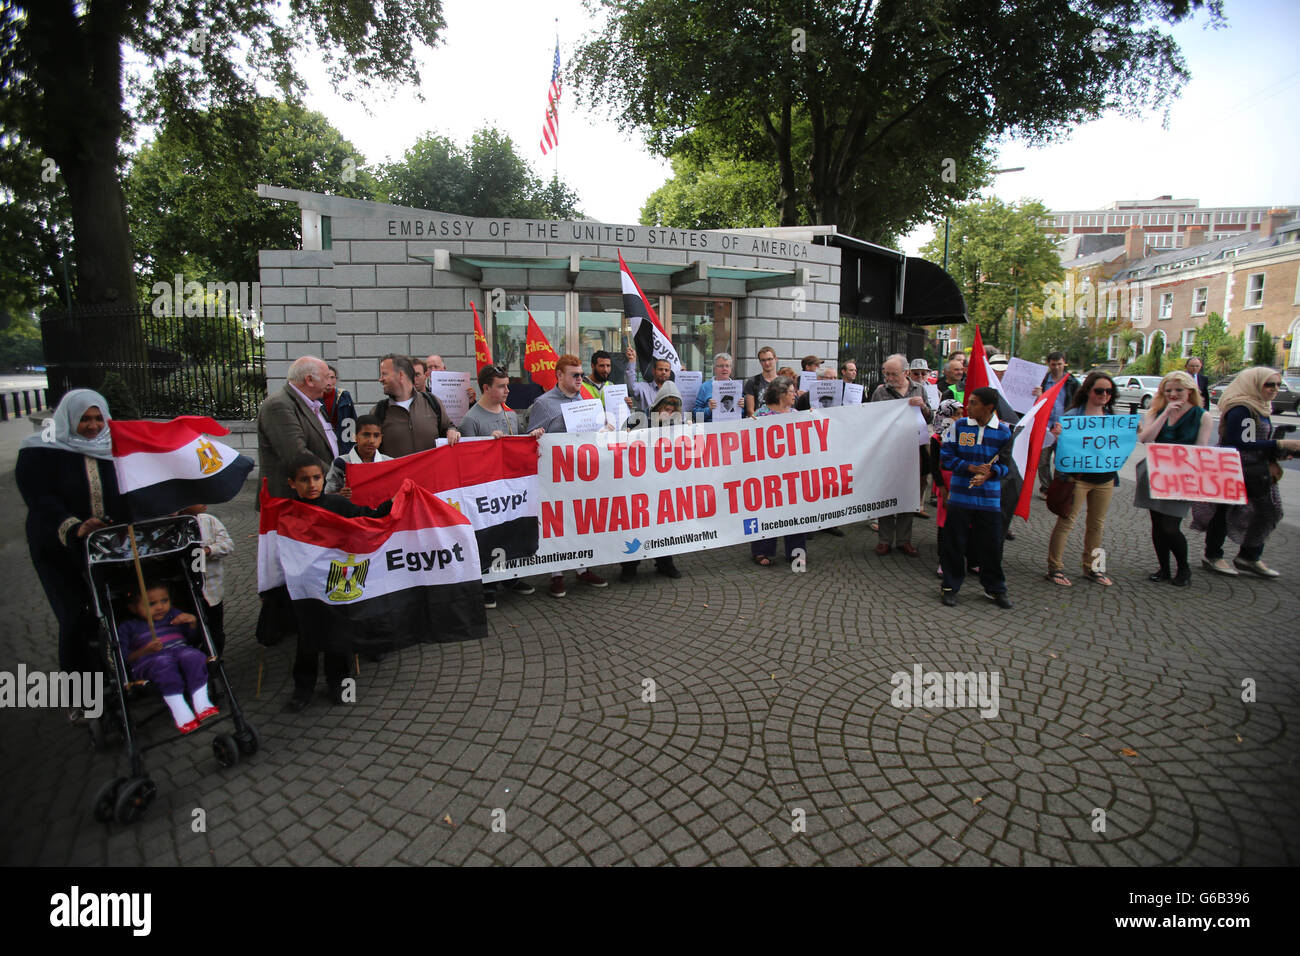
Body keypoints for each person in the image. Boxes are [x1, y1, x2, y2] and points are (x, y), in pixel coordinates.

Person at [17, 389, 127, 684]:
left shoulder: (112, 448)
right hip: (57, 547)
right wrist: (73, 524)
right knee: (75, 616)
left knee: (114, 609)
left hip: (103, 545)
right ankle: (79, 691)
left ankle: (120, 675)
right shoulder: (39, 450)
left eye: (98, 418)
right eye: (84, 419)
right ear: (67, 417)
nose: (93, 426)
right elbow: (38, 496)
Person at [283, 453, 393, 712]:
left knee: (337, 636)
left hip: (336, 584)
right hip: (305, 590)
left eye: (316, 478)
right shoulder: (286, 511)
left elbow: (367, 518)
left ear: (324, 478)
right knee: (307, 640)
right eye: (304, 480)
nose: (311, 485)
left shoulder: (337, 505)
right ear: (291, 483)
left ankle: (339, 683)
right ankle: (303, 687)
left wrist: (394, 503)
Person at [1194, 368, 1300, 578]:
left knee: (1268, 511)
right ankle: (1214, 555)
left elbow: (1253, 440)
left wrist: (1278, 451)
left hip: (1256, 468)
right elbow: (1240, 441)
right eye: (1269, 384)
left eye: (1278, 385)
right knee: (1225, 512)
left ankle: (1249, 555)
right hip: (1235, 467)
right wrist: (1279, 443)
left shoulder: (1260, 407)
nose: (1275, 389)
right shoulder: (1243, 408)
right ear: (1254, 383)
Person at [525, 354, 610, 596]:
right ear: (559, 375)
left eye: (581, 375)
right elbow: (531, 437)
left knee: (581, 520)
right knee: (558, 522)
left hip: (582, 474)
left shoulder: (587, 399)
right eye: (574, 375)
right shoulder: (543, 403)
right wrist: (537, 434)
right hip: (555, 476)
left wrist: (606, 429)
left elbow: (594, 435)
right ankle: (557, 573)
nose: (579, 379)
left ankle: (583, 569)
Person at [461, 365, 545, 608]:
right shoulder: (471, 419)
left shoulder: (510, 415)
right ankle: (487, 584)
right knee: (488, 534)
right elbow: (468, 459)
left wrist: (531, 441)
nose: (508, 390)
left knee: (509, 530)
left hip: (508, 488)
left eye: (507, 385)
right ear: (486, 388)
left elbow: (516, 449)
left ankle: (510, 577)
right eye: (501, 386)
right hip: (484, 489)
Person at [1134, 371, 1213, 586]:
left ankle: (1184, 568)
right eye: (1168, 391)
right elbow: (1146, 439)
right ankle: (1164, 568)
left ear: (1190, 391)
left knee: (1171, 525)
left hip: (1181, 477)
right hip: (1155, 472)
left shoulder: (1202, 416)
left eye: (1179, 390)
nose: (1173, 394)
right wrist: (1165, 413)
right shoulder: (1157, 411)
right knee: (1158, 524)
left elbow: (1201, 448)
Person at [939, 388, 1013, 608]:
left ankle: (995, 588)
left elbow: (1006, 465)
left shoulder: (1003, 432)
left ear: (989, 407)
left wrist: (990, 473)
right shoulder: (958, 426)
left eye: (973, 403)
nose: (966, 407)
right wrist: (970, 468)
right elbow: (946, 457)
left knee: (991, 546)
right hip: (960, 498)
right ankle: (950, 586)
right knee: (954, 544)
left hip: (989, 501)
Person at [1046, 371, 1121, 587]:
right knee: (1066, 522)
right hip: (1078, 478)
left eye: (1109, 391)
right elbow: (1062, 452)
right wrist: (1058, 437)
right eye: (1099, 390)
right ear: (1088, 391)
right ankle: (1055, 568)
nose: (1104, 395)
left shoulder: (1113, 418)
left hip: (1104, 479)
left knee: (1097, 525)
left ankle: (1094, 568)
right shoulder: (1072, 418)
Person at [119, 581, 218, 734]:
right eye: (151, 604)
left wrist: (191, 623)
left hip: (180, 650)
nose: (160, 607)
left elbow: (191, 639)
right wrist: (145, 651)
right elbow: (125, 657)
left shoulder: (173, 614)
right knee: (163, 662)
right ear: (133, 608)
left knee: (193, 656)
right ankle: (180, 709)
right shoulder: (129, 627)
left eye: (164, 601)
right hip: (150, 660)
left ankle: (201, 702)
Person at [870, 354, 933, 556]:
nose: (889, 377)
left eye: (893, 374)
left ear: (905, 373)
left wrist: (922, 406)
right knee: (886, 492)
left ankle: (904, 540)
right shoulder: (880, 392)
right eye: (886, 373)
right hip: (887, 450)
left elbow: (930, 416)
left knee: (908, 494)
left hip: (912, 449)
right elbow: (870, 419)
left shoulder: (919, 389)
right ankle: (885, 539)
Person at [621, 384, 685, 581]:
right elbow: (620, 441)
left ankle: (665, 562)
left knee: (664, 525)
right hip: (638, 482)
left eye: (674, 410)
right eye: (667, 409)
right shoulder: (637, 419)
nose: (670, 413)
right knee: (635, 525)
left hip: (664, 484)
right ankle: (629, 566)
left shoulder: (679, 425)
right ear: (658, 405)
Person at [257, 355, 339, 500]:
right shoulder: (279, 405)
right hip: (290, 502)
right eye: (326, 377)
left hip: (312, 497)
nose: (329, 382)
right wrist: (336, 477)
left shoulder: (313, 404)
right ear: (309, 380)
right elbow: (296, 454)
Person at [751, 379, 807, 568]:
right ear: (781, 393)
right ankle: (762, 550)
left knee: (795, 510)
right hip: (768, 472)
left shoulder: (796, 414)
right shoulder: (761, 415)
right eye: (792, 391)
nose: (795, 394)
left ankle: (796, 550)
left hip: (791, 471)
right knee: (767, 511)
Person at [370, 353, 460, 457]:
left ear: (400, 375)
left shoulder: (432, 403)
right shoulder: (378, 412)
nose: (380, 379)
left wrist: (452, 431)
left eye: (384, 374)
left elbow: (448, 427)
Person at [179, 504, 235, 654]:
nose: (203, 502)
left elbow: (228, 544)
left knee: (216, 629)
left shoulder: (209, 520)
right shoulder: (176, 526)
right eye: (195, 500)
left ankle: (216, 660)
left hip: (212, 591)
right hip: (187, 593)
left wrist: (209, 550)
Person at [1032, 352, 1078, 495]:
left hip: (1064, 428)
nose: (1057, 367)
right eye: (1053, 364)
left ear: (1064, 363)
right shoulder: (1042, 381)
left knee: (1061, 460)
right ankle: (1046, 488)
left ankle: (1058, 488)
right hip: (1046, 426)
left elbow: (1077, 403)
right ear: (1048, 364)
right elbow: (1033, 405)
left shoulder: (1072, 382)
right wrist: (1038, 396)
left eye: (1059, 364)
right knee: (1042, 460)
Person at [324, 414, 392, 495]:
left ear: (381, 438)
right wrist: (340, 496)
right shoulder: (341, 463)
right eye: (366, 435)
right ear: (355, 437)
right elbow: (328, 495)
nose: (371, 441)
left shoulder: (389, 463)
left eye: (376, 436)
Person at [322, 365, 357, 455]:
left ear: (336, 379)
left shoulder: (344, 396)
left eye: (332, 377)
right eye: (326, 377)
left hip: (343, 441)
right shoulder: (315, 398)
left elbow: (351, 421)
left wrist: (353, 446)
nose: (329, 381)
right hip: (324, 442)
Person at [693, 352, 734, 422]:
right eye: (721, 366)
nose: (724, 369)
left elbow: (742, 415)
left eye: (727, 366)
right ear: (714, 369)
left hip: (732, 429)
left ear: (731, 369)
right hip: (711, 430)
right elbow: (696, 416)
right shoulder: (705, 387)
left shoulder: (737, 387)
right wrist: (709, 409)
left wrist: (741, 407)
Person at [743, 346, 780, 418]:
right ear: (760, 362)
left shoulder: (784, 382)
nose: (767, 363)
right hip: (759, 424)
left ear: (776, 359)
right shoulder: (753, 382)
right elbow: (750, 411)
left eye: (770, 359)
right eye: (763, 360)